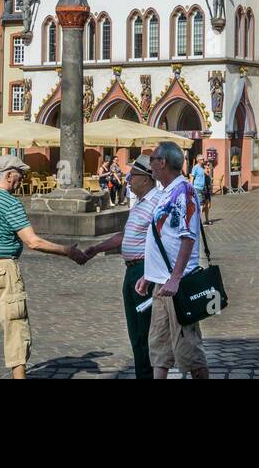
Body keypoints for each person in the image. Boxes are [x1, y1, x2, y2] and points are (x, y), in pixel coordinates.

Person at [0, 155, 83, 379]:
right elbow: (33, 242)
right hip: (3, 269)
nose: (22, 178)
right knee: (15, 326)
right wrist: (67, 251)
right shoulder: (10, 203)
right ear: (8, 175)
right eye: (19, 174)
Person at [78, 154, 159, 379]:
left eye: (133, 175)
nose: (129, 179)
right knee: (135, 332)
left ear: (147, 178)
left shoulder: (158, 202)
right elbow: (125, 235)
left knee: (146, 331)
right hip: (131, 271)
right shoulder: (140, 203)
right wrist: (95, 249)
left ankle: (150, 374)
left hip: (145, 272)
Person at [136, 141, 209, 380]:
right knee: (159, 346)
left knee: (188, 351)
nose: (151, 165)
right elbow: (163, 238)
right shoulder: (167, 192)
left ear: (163, 162)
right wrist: (150, 273)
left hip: (178, 284)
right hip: (161, 282)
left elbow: (187, 237)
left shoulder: (183, 191)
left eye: (153, 160)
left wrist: (176, 278)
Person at [190, 155, 211, 226]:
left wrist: (207, 169)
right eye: (202, 159)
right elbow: (192, 178)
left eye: (203, 159)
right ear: (198, 160)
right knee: (201, 205)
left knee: (207, 205)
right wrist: (191, 188)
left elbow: (207, 175)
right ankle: (196, 221)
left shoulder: (203, 167)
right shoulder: (195, 168)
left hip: (204, 188)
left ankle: (205, 220)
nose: (203, 160)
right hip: (197, 188)